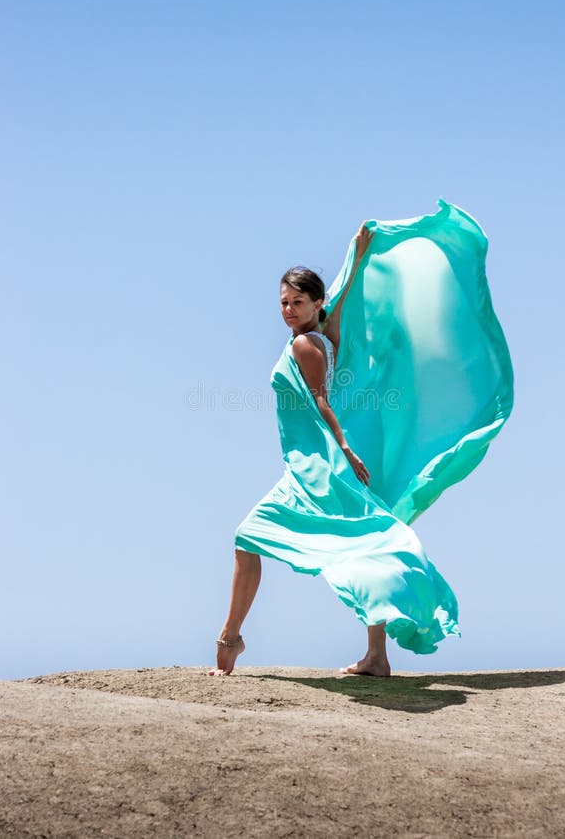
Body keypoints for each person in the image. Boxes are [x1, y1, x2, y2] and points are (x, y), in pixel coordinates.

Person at [209, 200, 514, 677]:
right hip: (316, 463)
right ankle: (375, 656)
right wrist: (355, 254)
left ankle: (231, 637)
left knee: (249, 537)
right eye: (283, 304)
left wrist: (346, 448)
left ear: (313, 304)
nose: (288, 311)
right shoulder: (326, 332)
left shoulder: (308, 345)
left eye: (296, 303)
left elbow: (321, 401)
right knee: (362, 541)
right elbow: (343, 299)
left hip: (316, 467)